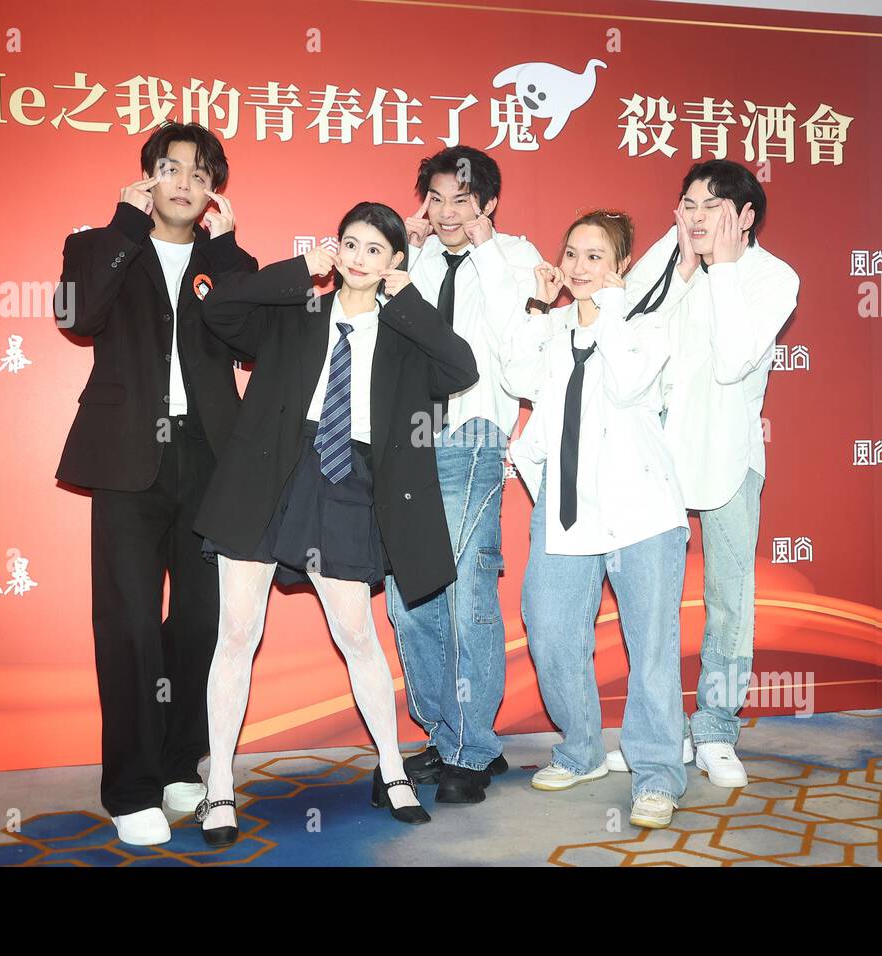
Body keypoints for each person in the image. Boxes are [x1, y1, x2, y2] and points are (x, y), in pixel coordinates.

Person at [191, 202, 480, 844]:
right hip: (269, 476)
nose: (356, 257)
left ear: (394, 263)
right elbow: (221, 312)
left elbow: (461, 367)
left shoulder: (405, 333)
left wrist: (406, 301)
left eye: (374, 249)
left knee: (357, 633)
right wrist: (299, 270)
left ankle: (394, 770)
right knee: (237, 631)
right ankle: (219, 792)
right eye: (349, 244)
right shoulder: (299, 313)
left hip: (347, 480)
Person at [53, 122, 257, 846]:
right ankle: (131, 787)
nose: (182, 182)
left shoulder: (229, 262)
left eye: (198, 173)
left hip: (206, 462)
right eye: (169, 168)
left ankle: (179, 763)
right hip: (126, 463)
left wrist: (228, 255)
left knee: (203, 623)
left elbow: (253, 343)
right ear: (147, 177)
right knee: (131, 625)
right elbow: (76, 316)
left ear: (212, 191)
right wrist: (123, 226)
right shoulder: (101, 243)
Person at [613, 159, 800, 788]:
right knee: (651, 602)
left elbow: (732, 362)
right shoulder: (676, 254)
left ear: (745, 217)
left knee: (728, 601)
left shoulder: (773, 278)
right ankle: (657, 734)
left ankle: (716, 729)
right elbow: (621, 320)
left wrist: (715, 272)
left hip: (730, 457)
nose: (695, 218)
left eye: (711, 207)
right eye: (688, 204)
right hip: (656, 455)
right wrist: (681, 268)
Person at [505, 210, 690, 830]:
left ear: (622, 266)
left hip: (642, 513)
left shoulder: (646, 325)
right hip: (567, 510)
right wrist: (537, 306)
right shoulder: (553, 328)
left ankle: (658, 775)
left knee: (652, 649)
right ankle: (582, 750)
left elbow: (634, 382)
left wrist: (608, 312)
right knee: (551, 627)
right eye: (573, 253)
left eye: (596, 256)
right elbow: (516, 375)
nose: (581, 267)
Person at [387, 145, 542, 805]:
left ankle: (471, 748)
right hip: (403, 445)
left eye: (463, 198)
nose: (448, 212)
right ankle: (447, 731)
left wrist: (484, 252)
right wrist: (404, 250)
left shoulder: (515, 257)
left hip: (473, 435)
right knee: (407, 600)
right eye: (438, 198)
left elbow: (520, 359)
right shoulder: (410, 258)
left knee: (466, 598)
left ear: (490, 203)